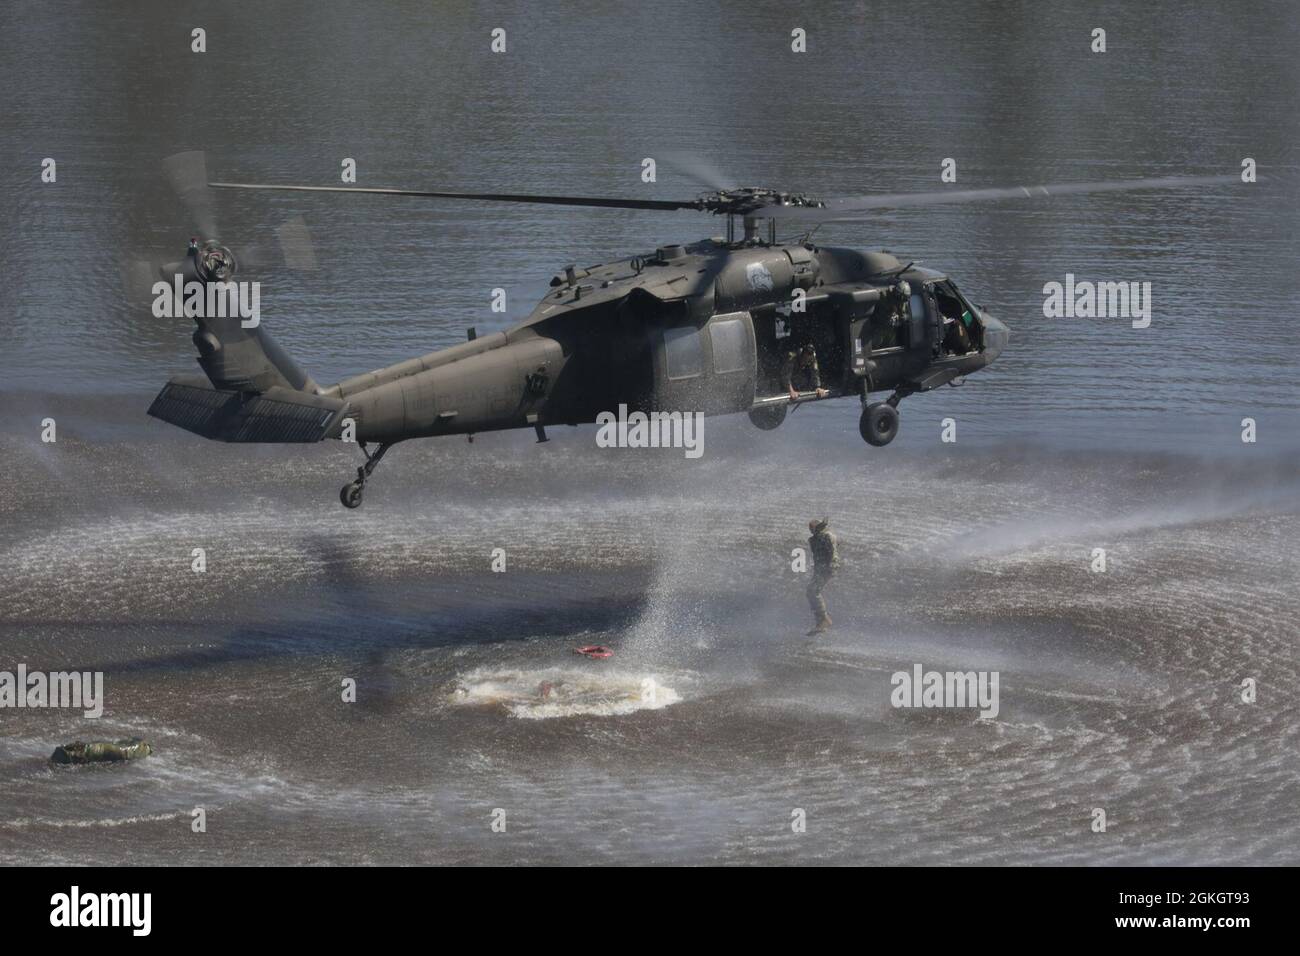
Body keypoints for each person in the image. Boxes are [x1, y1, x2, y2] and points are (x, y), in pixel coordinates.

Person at [805, 517, 839, 635]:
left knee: (812, 591)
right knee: (811, 591)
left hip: (827, 568)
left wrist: (828, 568)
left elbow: (830, 553)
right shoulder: (816, 539)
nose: (812, 531)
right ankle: (821, 621)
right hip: (822, 568)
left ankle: (824, 620)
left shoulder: (826, 536)